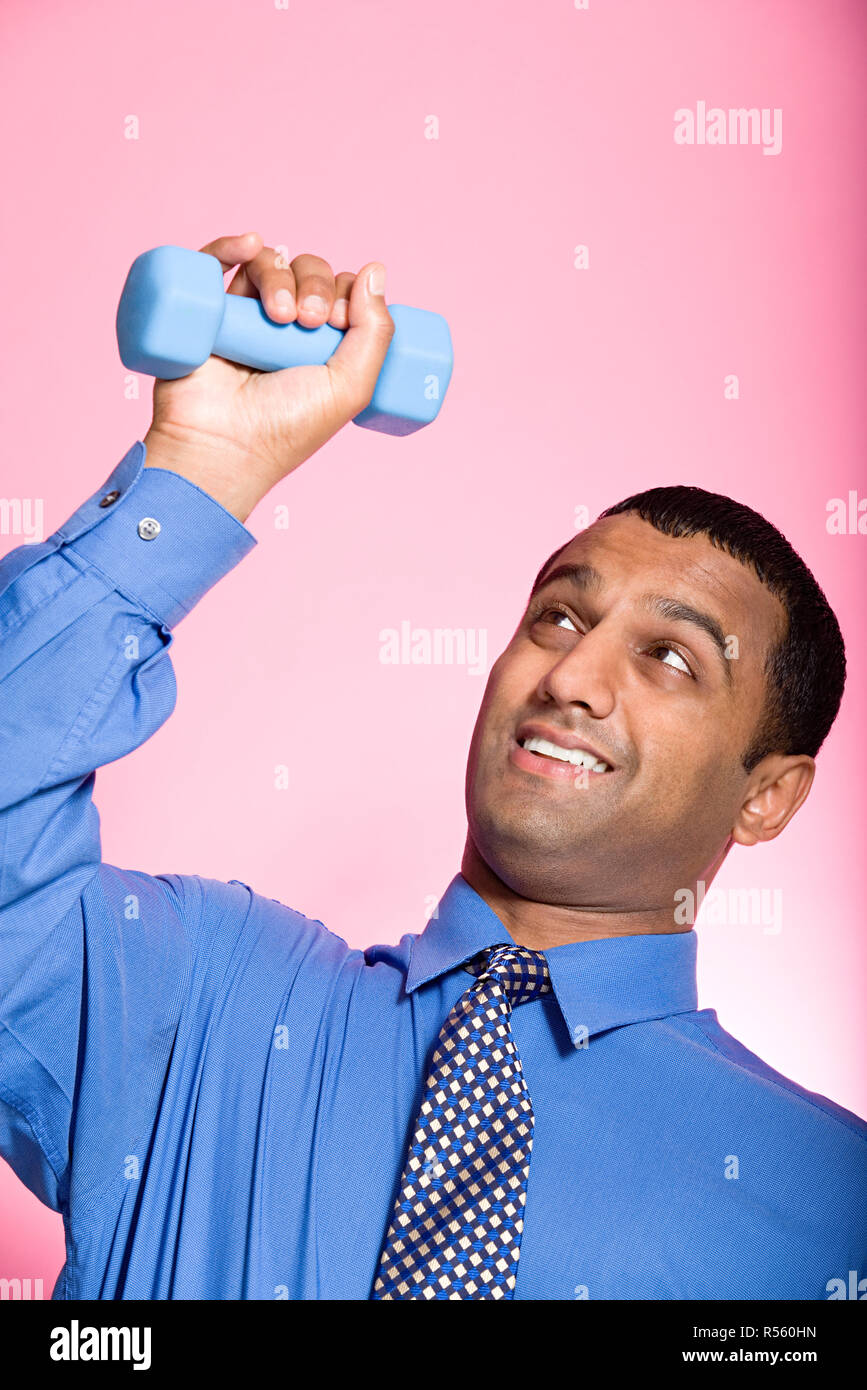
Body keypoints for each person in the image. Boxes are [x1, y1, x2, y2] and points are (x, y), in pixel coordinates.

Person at [1, 233, 864, 1301]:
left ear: (768, 794)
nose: (573, 675)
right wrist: (198, 476)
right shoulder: (196, 996)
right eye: (557, 615)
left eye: (668, 657)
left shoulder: (833, 1210)